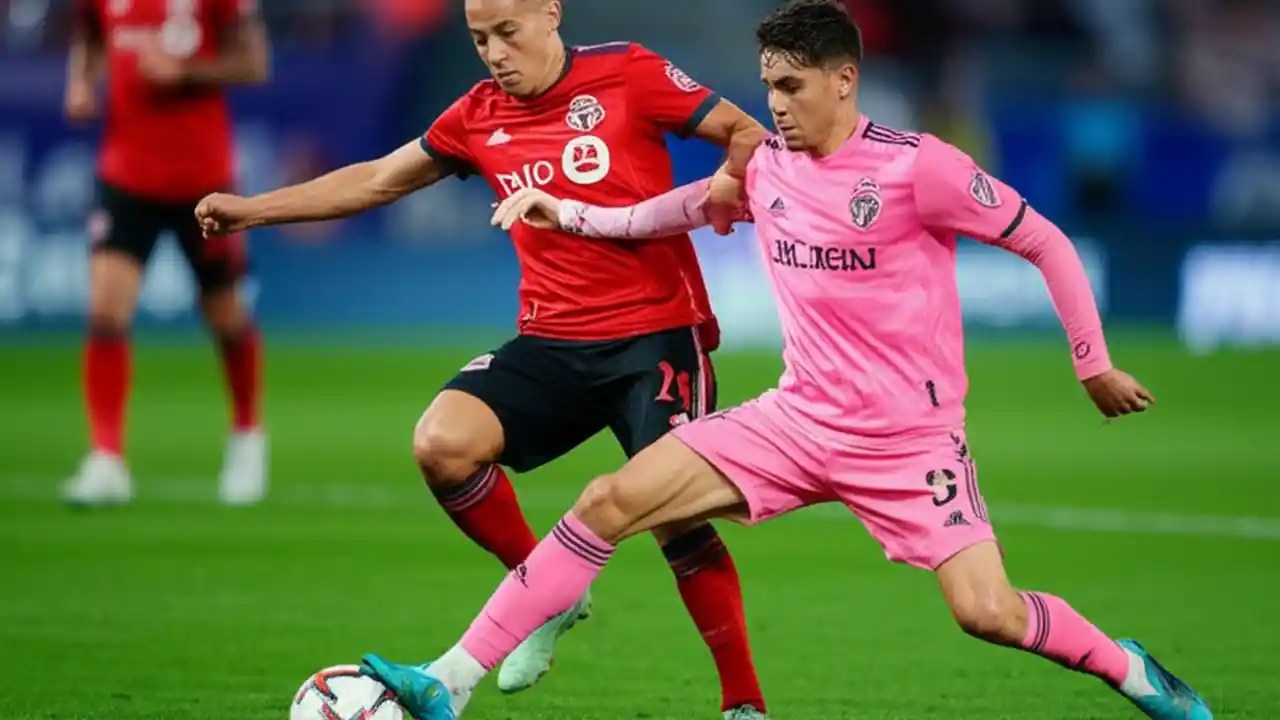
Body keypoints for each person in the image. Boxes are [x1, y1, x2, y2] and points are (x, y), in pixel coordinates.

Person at [354, 2, 1213, 719]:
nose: (775, 107)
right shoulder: (764, 165)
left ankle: (1125, 667)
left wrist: (1091, 362)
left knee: (986, 613)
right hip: (794, 421)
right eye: (768, 86)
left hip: (908, 442)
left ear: (845, 80)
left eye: (792, 87)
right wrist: (566, 212)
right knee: (610, 500)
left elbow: (1048, 241)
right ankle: (449, 682)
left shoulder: (922, 170)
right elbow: (669, 211)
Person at [195, 1, 770, 716]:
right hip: (551, 341)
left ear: (551, 15)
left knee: (673, 515)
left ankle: (743, 703)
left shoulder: (627, 72)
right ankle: (548, 591)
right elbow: (377, 179)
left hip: (656, 336)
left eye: (507, 33)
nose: (494, 53)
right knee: (443, 444)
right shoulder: (476, 114)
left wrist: (725, 186)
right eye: (477, 39)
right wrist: (253, 211)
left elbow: (746, 133)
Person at [63, 0, 271, 507]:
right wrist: (82, 81)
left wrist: (185, 71)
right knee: (106, 311)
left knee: (225, 316)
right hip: (126, 174)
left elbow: (254, 63)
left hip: (202, 180)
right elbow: (89, 34)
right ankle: (106, 457)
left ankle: (247, 438)